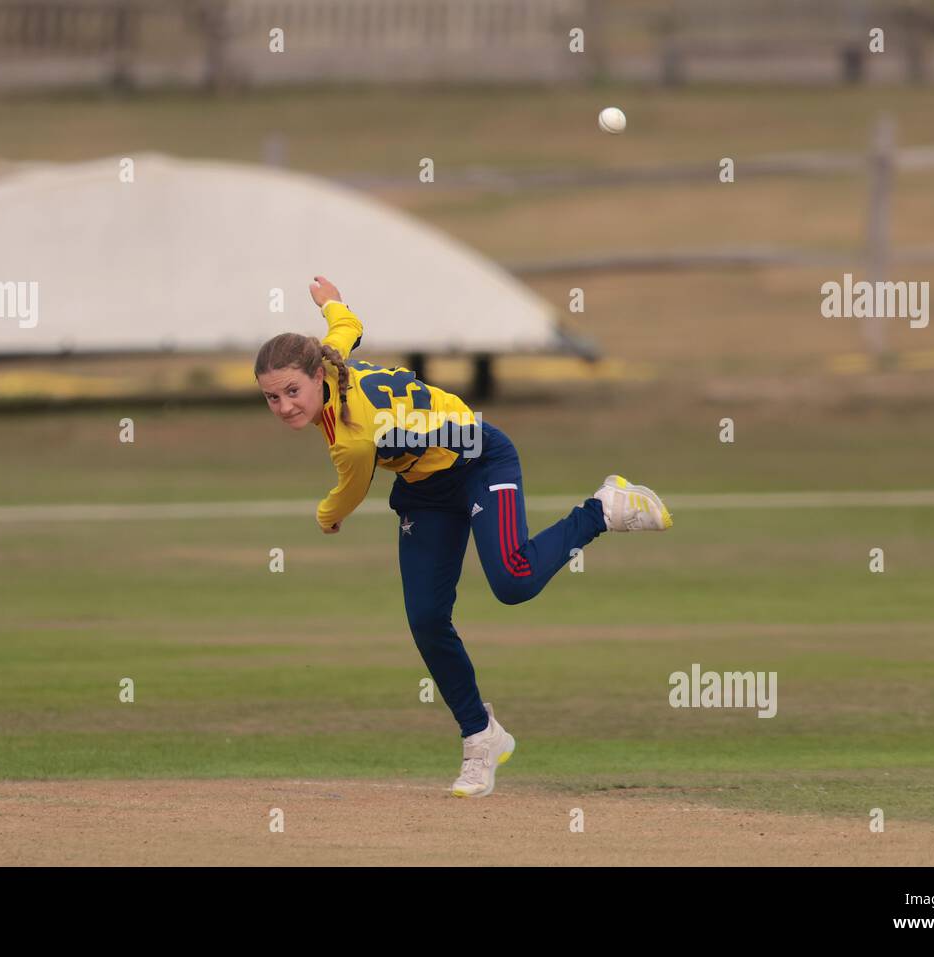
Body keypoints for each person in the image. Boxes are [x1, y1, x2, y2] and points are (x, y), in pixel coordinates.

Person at [255, 276, 672, 798]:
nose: (286, 406)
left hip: (480, 457)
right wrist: (330, 302)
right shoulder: (329, 357)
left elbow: (349, 490)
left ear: (318, 375)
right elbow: (346, 325)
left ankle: (602, 510)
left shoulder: (354, 437)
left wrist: (325, 517)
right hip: (425, 486)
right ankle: (481, 736)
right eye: (272, 398)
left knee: (514, 580)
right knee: (427, 619)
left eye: (293, 392)